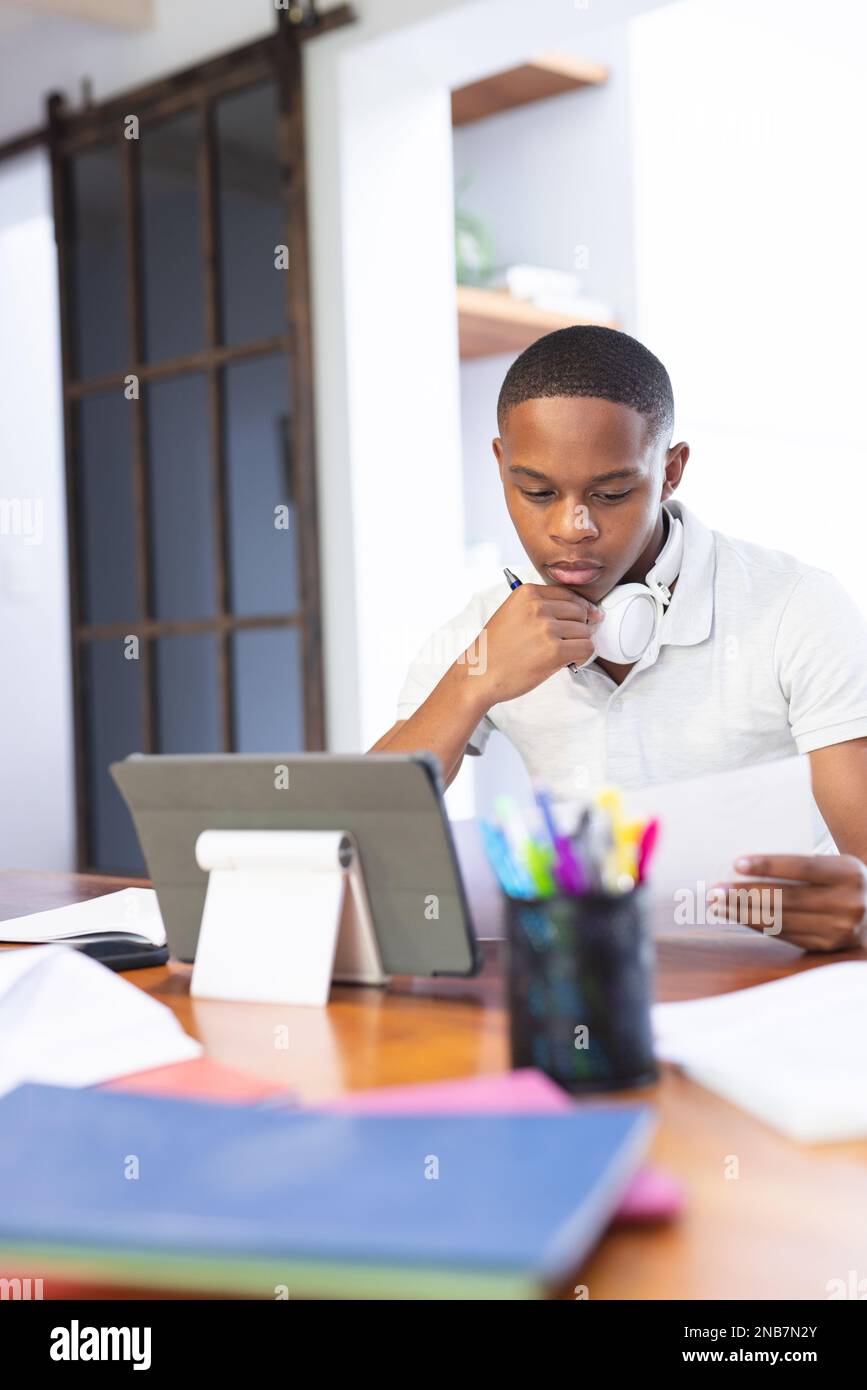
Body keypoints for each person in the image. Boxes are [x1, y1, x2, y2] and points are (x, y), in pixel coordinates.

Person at [369, 326, 867, 951]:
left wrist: (857, 911)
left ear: (670, 471)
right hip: (587, 984)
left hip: (772, 978)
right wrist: (476, 681)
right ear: (501, 465)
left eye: (609, 494)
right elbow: (362, 834)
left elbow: (865, 871)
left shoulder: (798, 607)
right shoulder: (483, 631)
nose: (570, 527)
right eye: (537, 492)